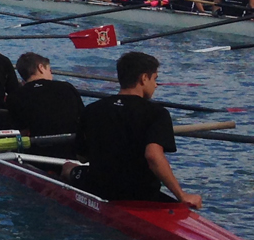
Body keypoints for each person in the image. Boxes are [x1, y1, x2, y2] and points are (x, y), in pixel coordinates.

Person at [73, 52, 200, 208]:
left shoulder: (92, 110)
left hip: (99, 190)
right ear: (144, 78)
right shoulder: (157, 113)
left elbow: (82, 158)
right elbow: (153, 156)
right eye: (155, 79)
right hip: (141, 195)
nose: (156, 85)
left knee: (69, 169)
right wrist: (182, 195)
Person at [5, 53, 85, 138]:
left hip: (35, 147)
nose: (51, 73)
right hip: (70, 144)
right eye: (49, 70)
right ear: (41, 68)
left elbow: (19, 128)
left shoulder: (15, 96)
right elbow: (83, 118)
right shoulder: (66, 88)